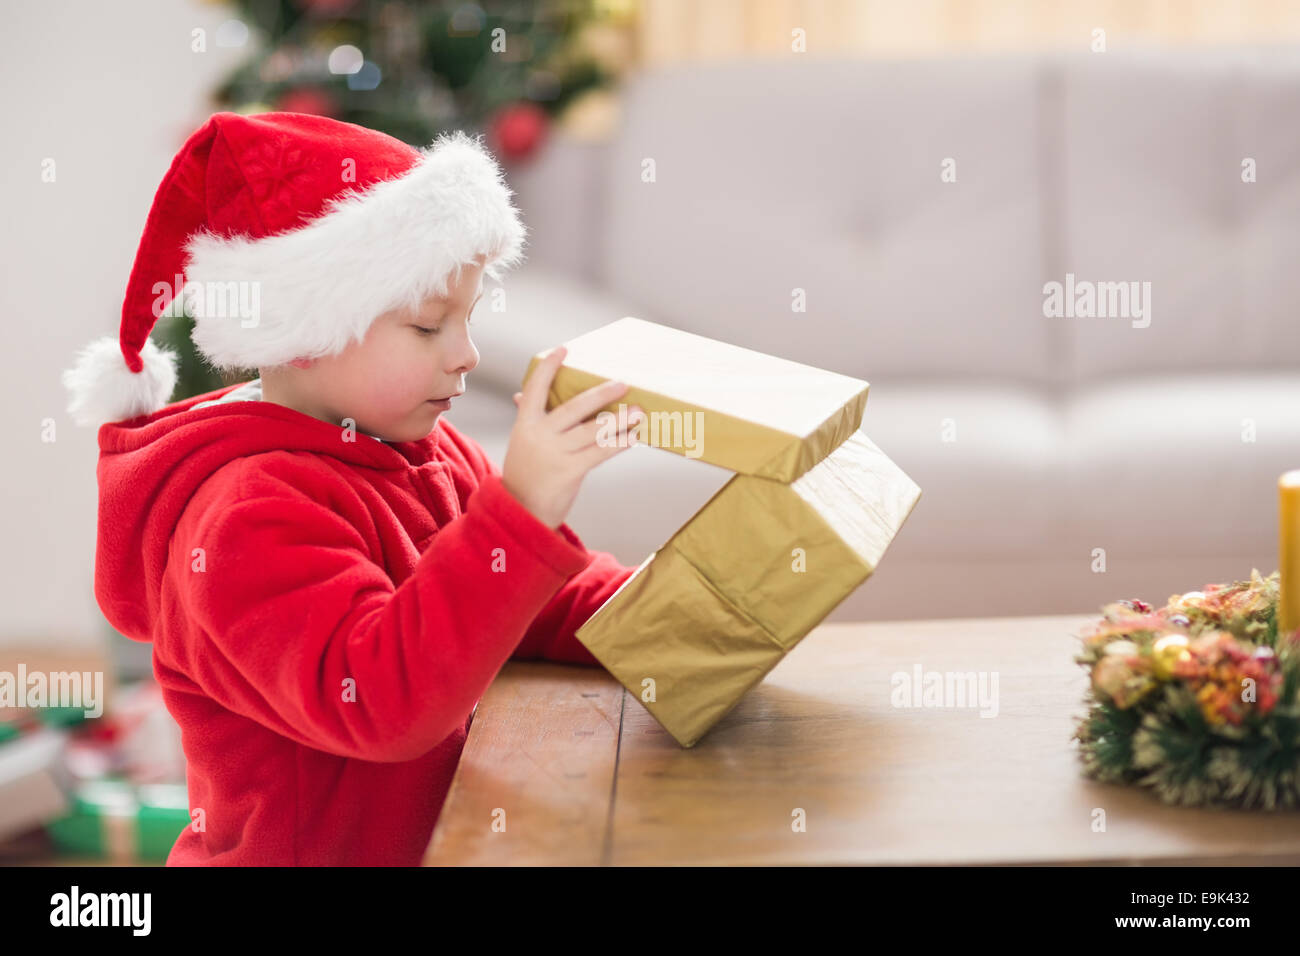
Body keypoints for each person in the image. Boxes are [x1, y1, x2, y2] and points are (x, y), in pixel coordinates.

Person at [61, 111, 644, 865]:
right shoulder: (244, 518)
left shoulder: (427, 450)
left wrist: (665, 616)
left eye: (466, 321)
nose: (466, 355)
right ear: (303, 333)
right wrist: (519, 512)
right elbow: (377, 701)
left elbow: (534, 603)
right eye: (429, 327)